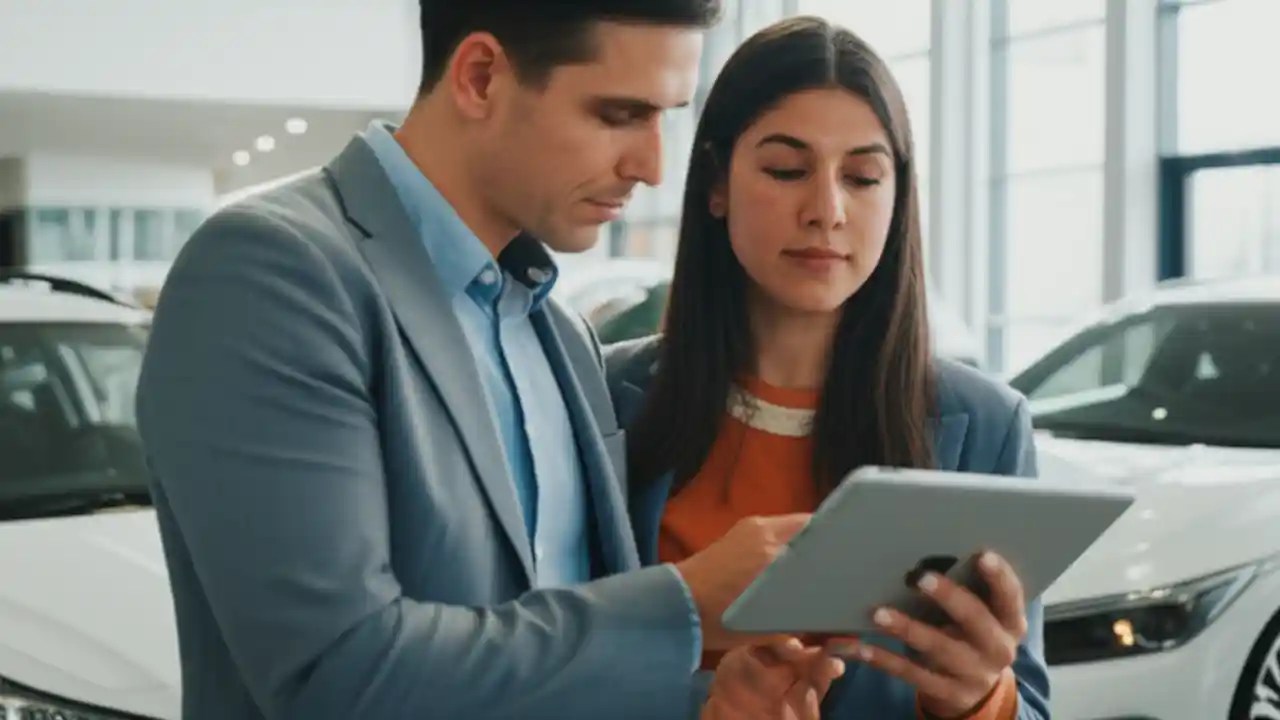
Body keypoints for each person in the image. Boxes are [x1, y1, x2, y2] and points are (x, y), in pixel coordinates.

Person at [135, 2, 844, 718]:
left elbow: (557, 659)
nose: (653, 166)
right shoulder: (272, 274)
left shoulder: (558, 333)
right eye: (619, 115)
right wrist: (685, 605)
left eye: (665, 117)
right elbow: (336, 672)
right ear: (479, 77)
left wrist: (705, 702)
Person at [606, 16, 1052, 720]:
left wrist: (979, 701)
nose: (826, 211)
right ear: (715, 185)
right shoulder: (605, 399)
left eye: (864, 177)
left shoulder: (986, 426)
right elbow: (554, 667)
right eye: (786, 170)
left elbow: (1030, 703)